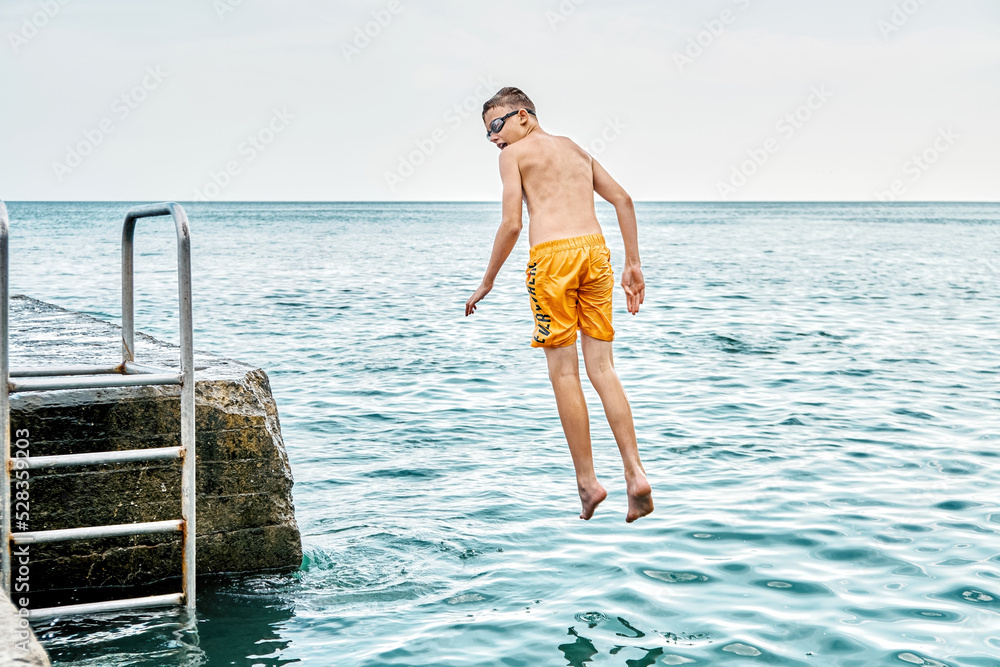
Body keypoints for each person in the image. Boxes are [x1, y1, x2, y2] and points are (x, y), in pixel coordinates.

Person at [464, 87, 653, 523]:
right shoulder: (575, 150)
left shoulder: (514, 157)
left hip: (552, 260)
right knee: (603, 368)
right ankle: (636, 474)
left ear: (523, 116)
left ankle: (587, 482)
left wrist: (487, 281)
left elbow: (512, 223)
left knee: (564, 372)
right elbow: (623, 199)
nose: (493, 139)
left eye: (496, 126)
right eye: (488, 134)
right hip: (596, 253)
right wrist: (634, 264)